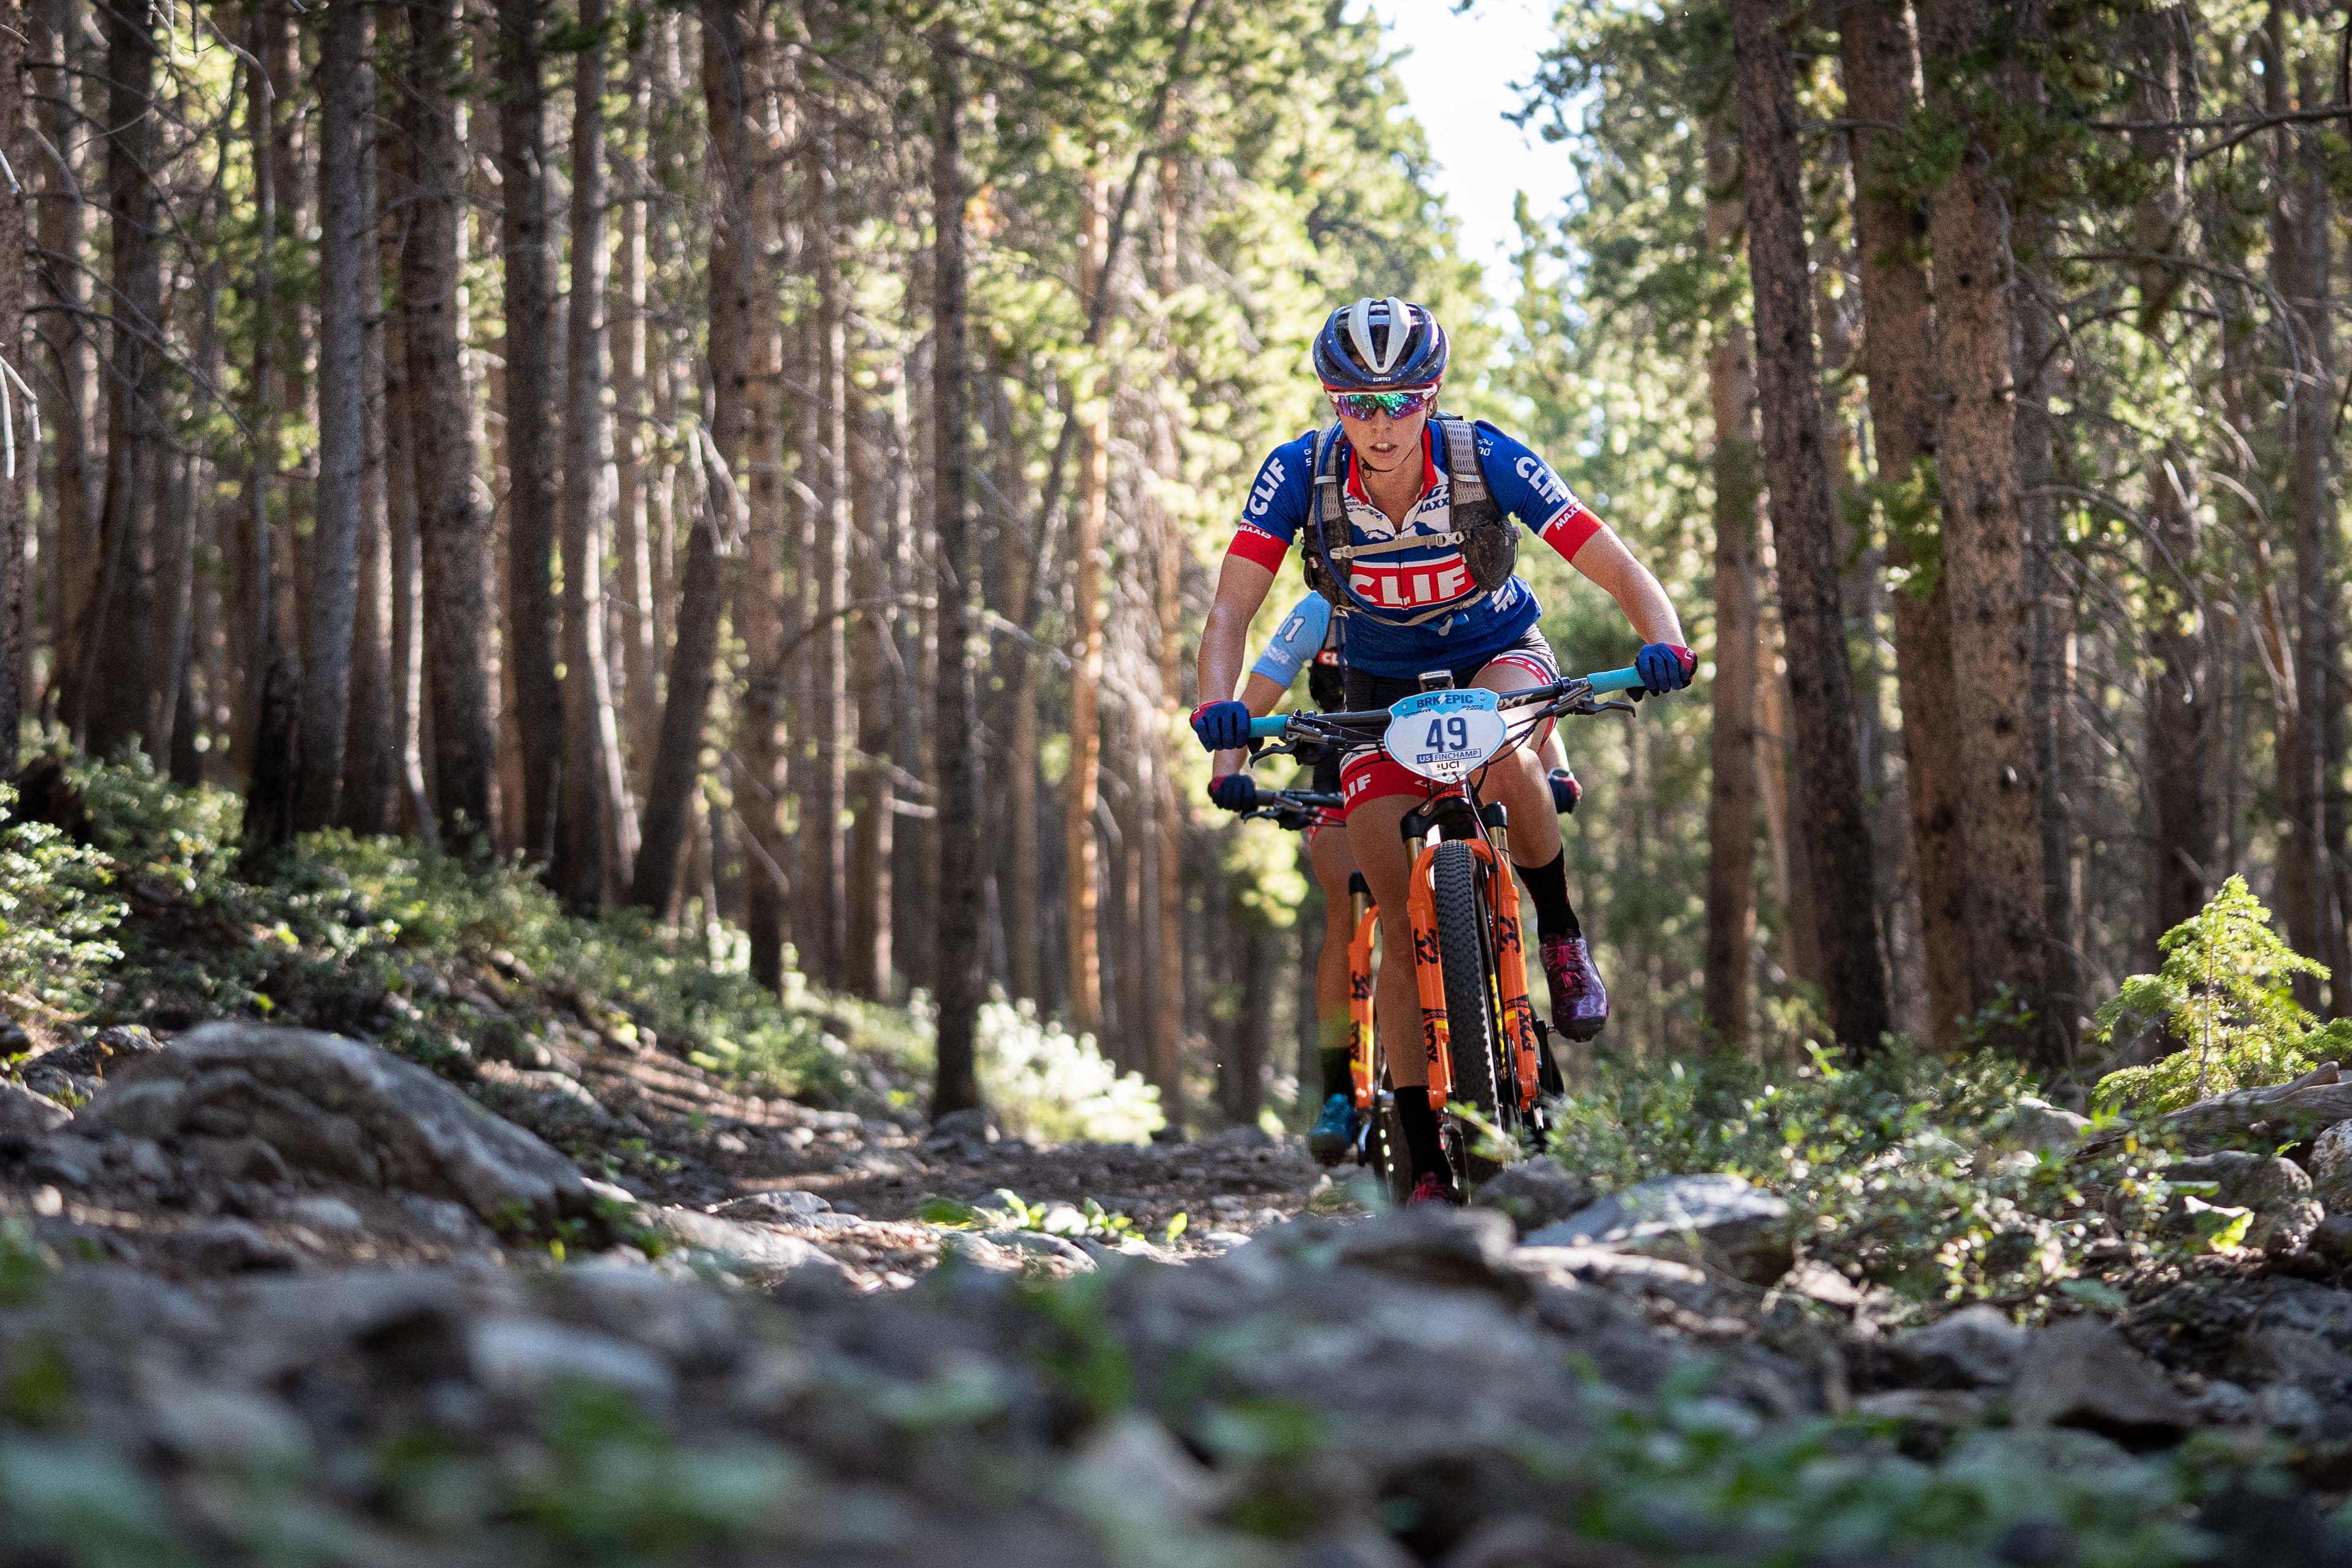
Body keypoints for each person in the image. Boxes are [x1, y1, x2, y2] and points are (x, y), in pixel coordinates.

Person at [1192, 296, 1693, 1204]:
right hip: (1378, 684)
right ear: (1332, 401)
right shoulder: (1298, 472)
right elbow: (1233, 608)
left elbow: (1611, 559)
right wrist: (1218, 708)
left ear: (1432, 396)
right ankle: (1422, 1155)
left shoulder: (1483, 456)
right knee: (1394, 915)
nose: (1380, 423)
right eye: (1358, 403)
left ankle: (1560, 932)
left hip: (1496, 652)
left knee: (1502, 742)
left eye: (1402, 401)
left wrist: (1664, 639)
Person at [1206, 588, 1582, 1166]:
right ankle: (1339, 1089)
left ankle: (1507, 1014)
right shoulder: (1317, 614)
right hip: (1347, 765)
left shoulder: (1461, 589)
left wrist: (1558, 771)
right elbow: (1259, 692)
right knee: (1349, 903)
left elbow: (1519, 704)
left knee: (1481, 875)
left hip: (1451, 764)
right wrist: (1226, 770)